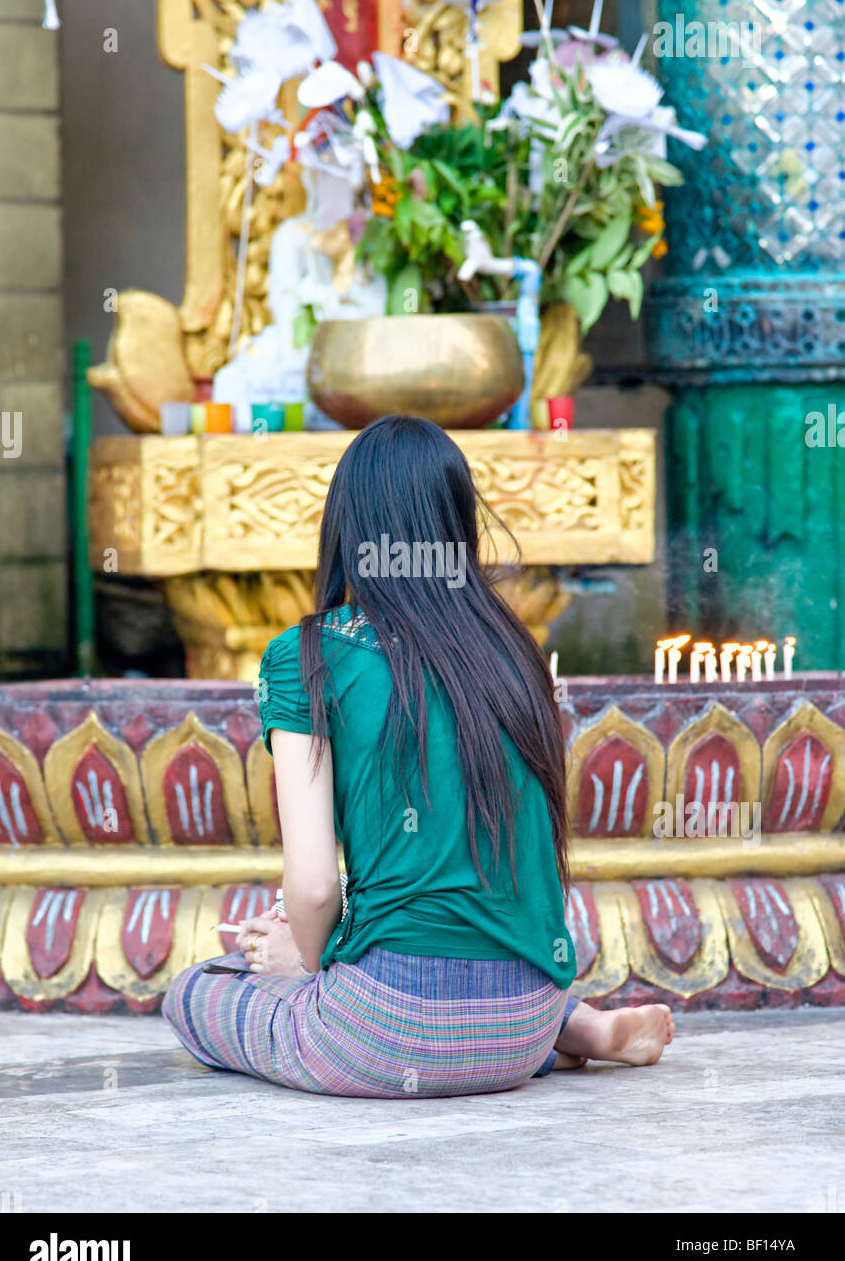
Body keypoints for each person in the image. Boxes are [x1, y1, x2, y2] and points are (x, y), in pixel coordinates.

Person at [163, 416, 673, 1096]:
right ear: (458, 524)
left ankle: (559, 1027)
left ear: (346, 526)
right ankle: (571, 1025)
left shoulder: (306, 655)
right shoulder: (514, 654)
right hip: (520, 1026)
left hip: (382, 1030)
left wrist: (306, 959)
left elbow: (314, 888)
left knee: (196, 990)